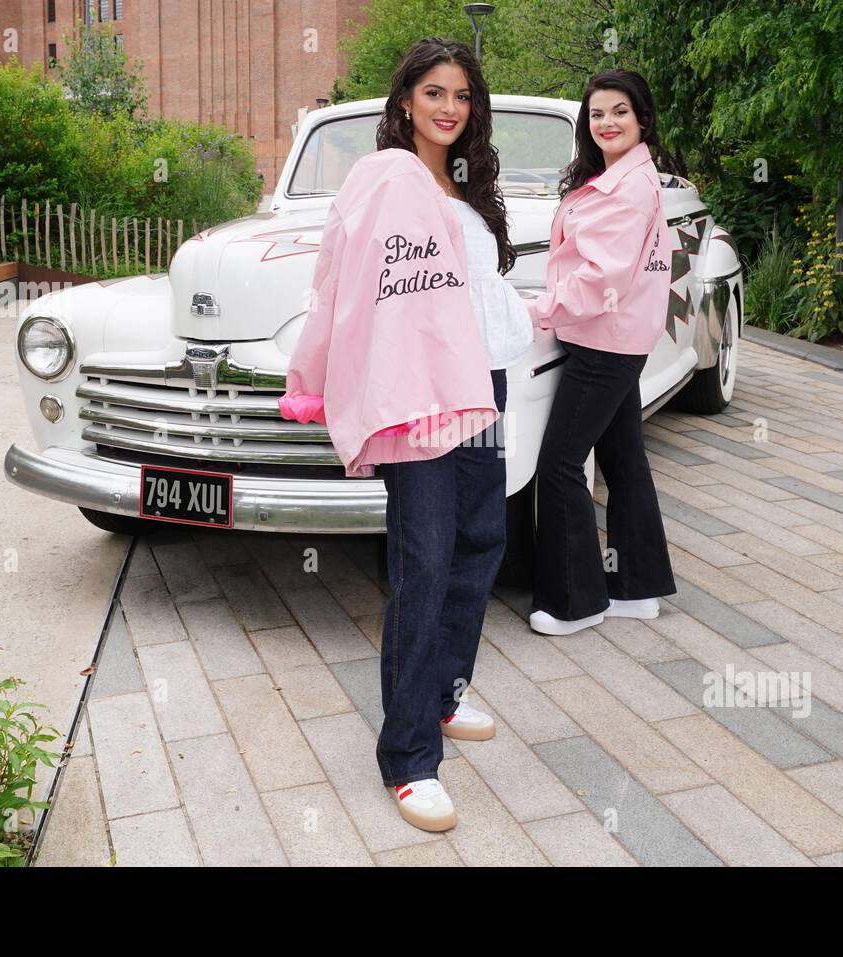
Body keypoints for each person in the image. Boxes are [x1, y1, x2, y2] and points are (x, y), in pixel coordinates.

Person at [279, 38, 531, 832]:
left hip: (482, 386)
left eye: (461, 95)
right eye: (433, 93)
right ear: (405, 102)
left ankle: (447, 692)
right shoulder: (383, 178)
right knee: (422, 561)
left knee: (481, 539)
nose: (448, 108)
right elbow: (337, 279)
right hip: (418, 397)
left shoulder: (472, 183)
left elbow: (486, 289)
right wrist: (311, 374)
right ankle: (409, 755)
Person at [525, 69, 678, 636]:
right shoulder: (622, 176)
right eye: (596, 114)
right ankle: (637, 589)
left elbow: (599, 276)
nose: (606, 122)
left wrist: (539, 311)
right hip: (619, 334)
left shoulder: (627, 187)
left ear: (642, 118)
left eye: (619, 111)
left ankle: (575, 602)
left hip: (603, 338)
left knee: (561, 464)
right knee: (622, 459)